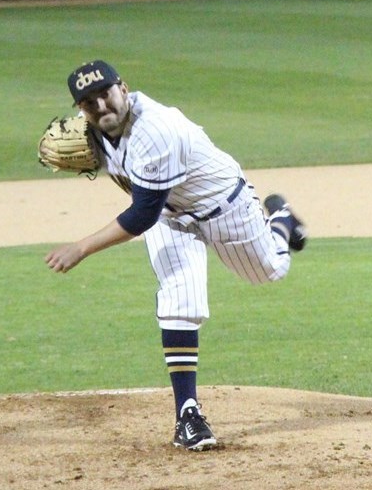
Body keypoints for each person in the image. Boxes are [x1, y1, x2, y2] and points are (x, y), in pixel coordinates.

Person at [44, 59, 308, 452]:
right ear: (80, 110)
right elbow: (149, 207)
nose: (101, 106)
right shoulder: (94, 131)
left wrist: (80, 247)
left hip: (223, 206)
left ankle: (281, 219)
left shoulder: (157, 130)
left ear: (124, 88)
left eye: (106, 94)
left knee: (269, 270)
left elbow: (140, 215)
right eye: (88, 103)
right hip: (170, 218)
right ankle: (189, 415)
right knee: (179, 299)